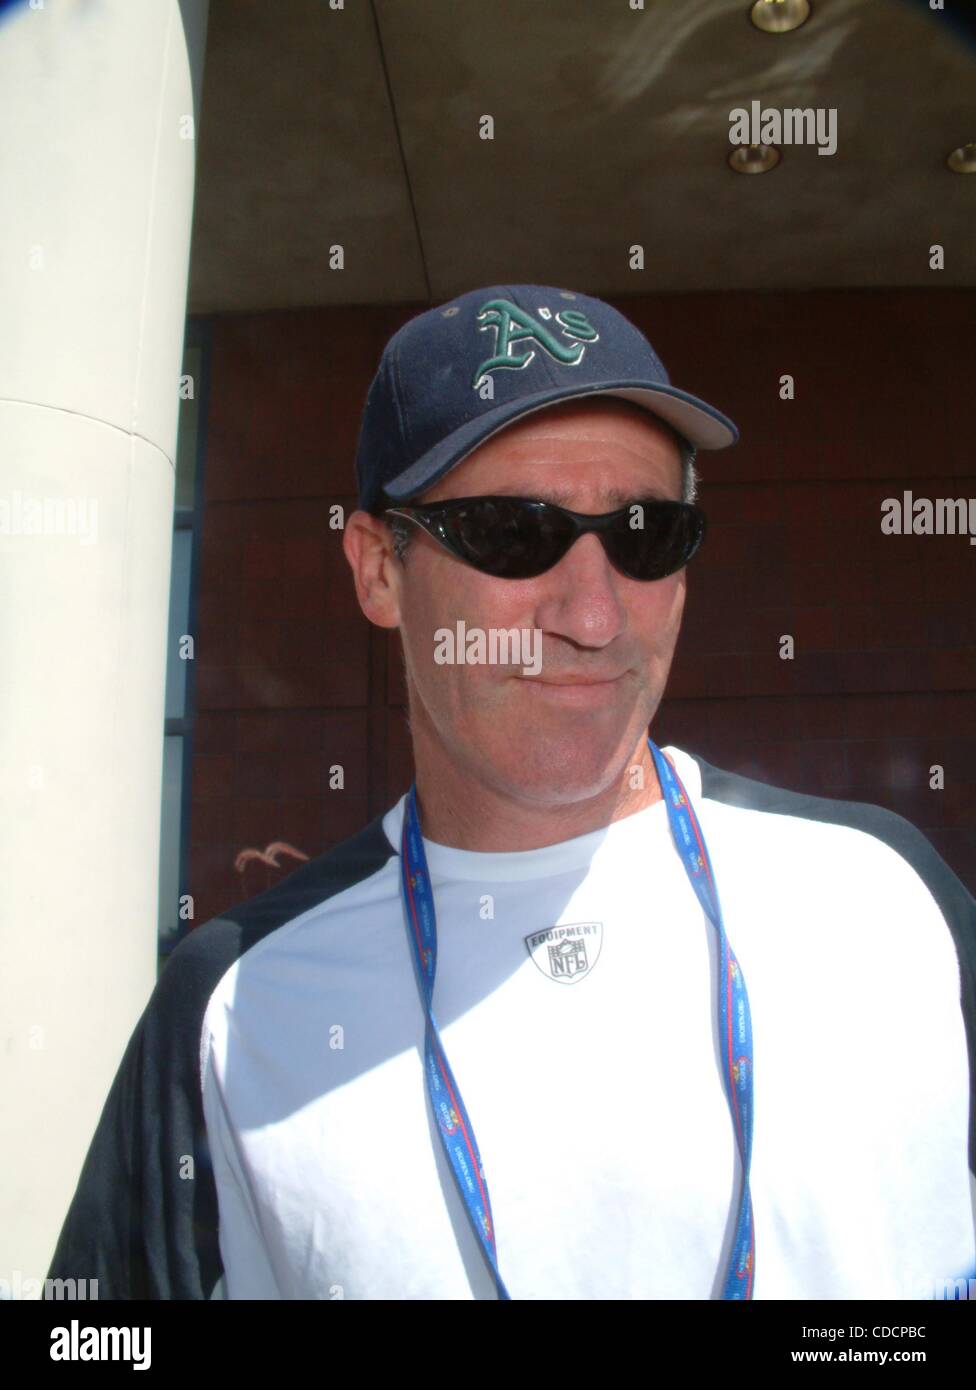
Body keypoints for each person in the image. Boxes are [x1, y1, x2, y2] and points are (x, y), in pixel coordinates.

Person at [46, 283, 976, 1300]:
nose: (592, 614)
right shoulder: (235, 1004)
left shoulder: (891, 896)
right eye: (512, 532)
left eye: (644, 532)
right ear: (378, 570)